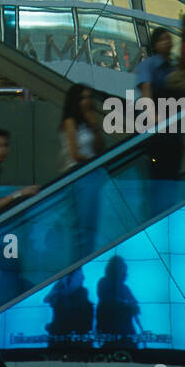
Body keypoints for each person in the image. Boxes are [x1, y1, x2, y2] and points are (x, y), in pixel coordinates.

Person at [59, 84, 105, 255]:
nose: (87, 101)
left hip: (92, 176)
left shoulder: (89, 123)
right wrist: (94, 162)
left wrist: (95, 126)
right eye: (83, 98)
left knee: (91, 225)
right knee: (81, 226)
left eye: (89, 97)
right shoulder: (70, 122)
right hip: (78, 175)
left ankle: (85, 260)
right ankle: (76, 266)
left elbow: (100, 147)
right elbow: (74, 153)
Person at [95, 254, 141, 353]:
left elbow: (135, 305)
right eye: (120, 268)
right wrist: (125, 304)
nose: (123, 271)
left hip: (126, 331)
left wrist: (133, 306)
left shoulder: (125, 288)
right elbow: (107, 299)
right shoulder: (104, 282)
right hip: (110, 330)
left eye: (123, 268)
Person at [135, 27, 174, 100]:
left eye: (168, 38)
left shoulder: (173, 66)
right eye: (162, 40)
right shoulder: (147, 64)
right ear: (155, 45)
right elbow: (146, 90)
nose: (167, 42)